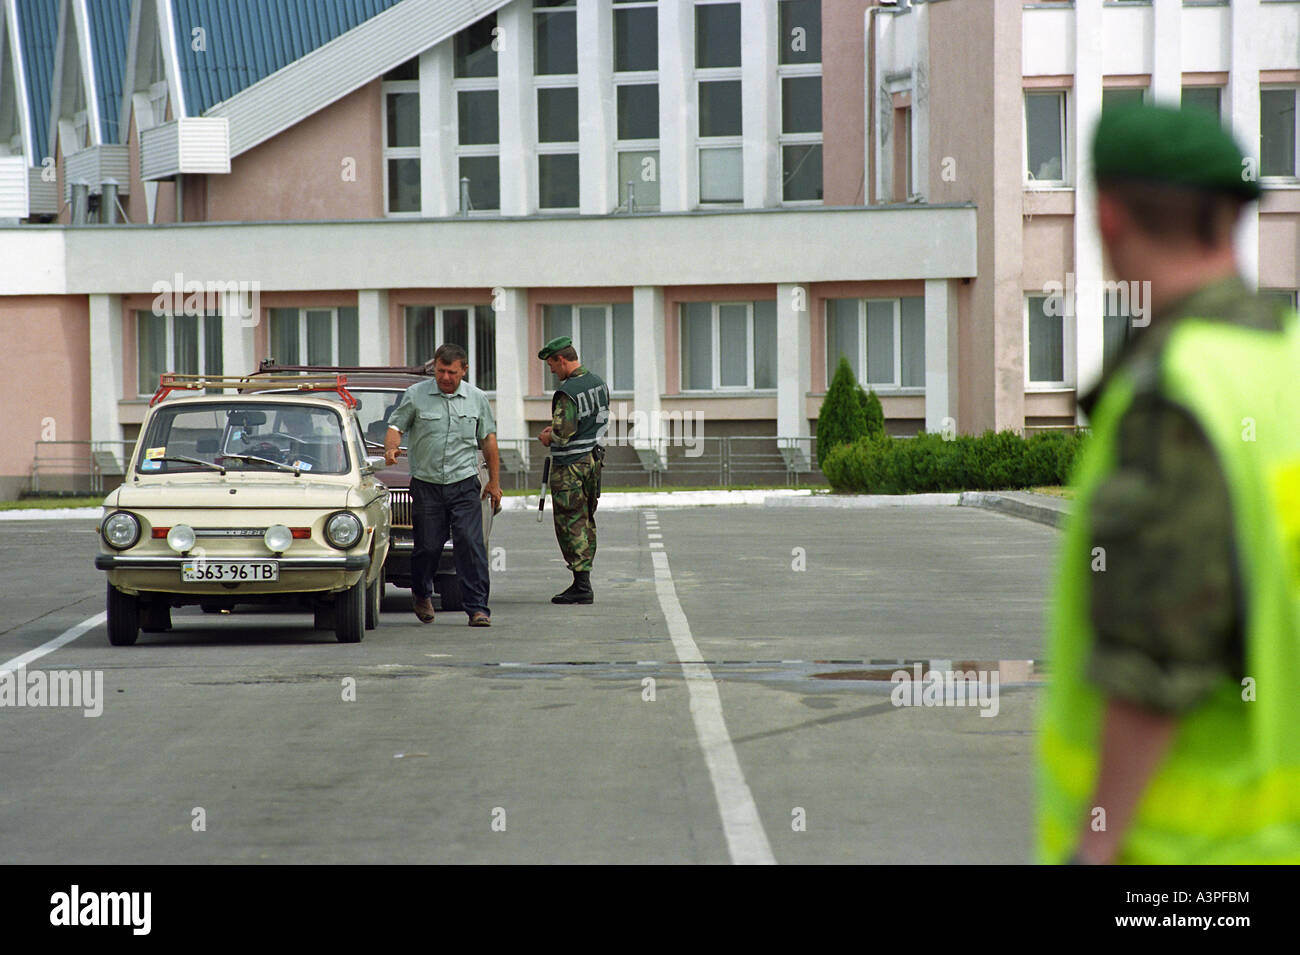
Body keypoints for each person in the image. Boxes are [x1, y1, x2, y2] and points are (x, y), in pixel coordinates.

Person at [1037, 104, 1300, 864]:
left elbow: (1156, 659)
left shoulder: (1176, 393)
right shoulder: (1283, 361)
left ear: (1109, 217)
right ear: (1229, 220)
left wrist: (1094, 847)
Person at [385, 343, 502, 626]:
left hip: (464, 483)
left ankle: (477, 608)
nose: (445, 377)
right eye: (440, 371)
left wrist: (495, 483)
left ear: (464, 370)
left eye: (452, 372)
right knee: (427, 546)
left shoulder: (476, 398)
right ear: (434, 368)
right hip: (427, 485)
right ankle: (422, 593)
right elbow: (396, 427)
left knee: (471, 544)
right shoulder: (416, 395)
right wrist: (391, 448)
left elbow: (488, 440)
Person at [537, 336, 609, 604]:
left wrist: (547, 435)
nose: (552, 371)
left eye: (552, 365)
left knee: (571, 522)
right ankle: (583, 580)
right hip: (592, 460)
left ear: (562, 359)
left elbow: (563, 432)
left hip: (570, 466)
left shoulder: (569, 391)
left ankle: (582, 585)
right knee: (587, 518)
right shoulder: (598, 383)